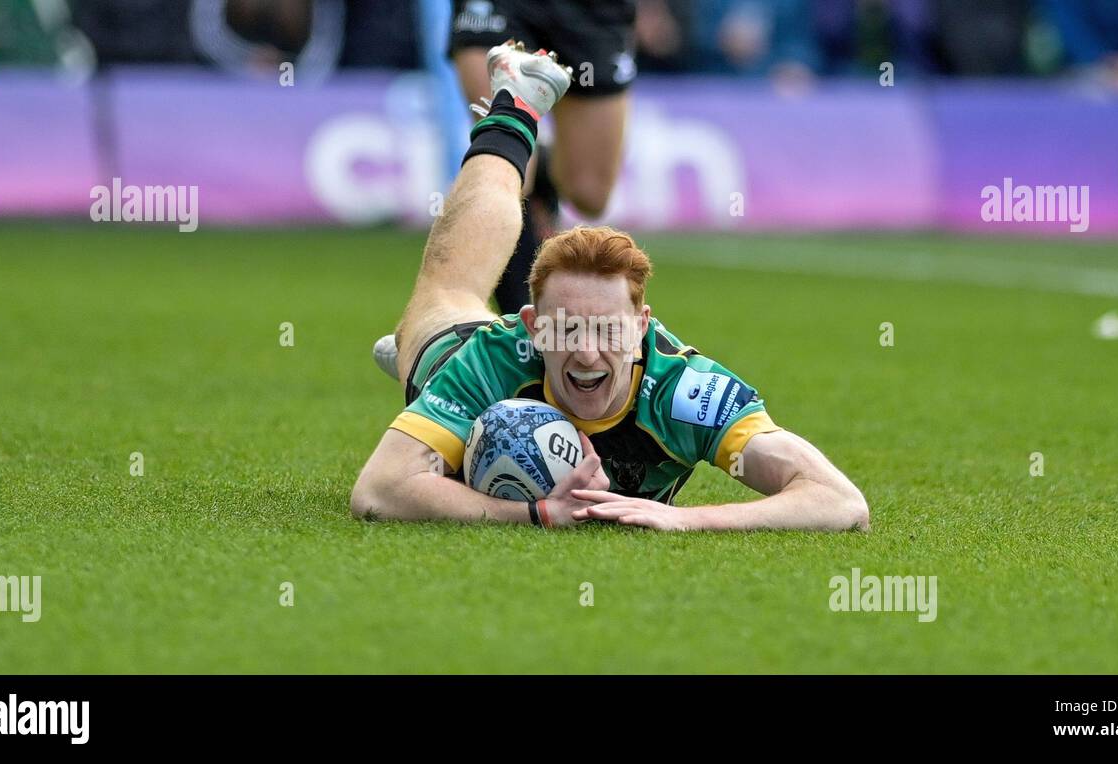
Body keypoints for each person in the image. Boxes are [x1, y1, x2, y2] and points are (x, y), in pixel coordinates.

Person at [352, 42, 868, 532]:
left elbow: (840, 501)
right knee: (448, 290)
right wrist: (538, 514)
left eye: (608, 330)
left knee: (586, 191)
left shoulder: (684, 393)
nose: (587, 353)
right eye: (567, 329)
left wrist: (684, 518)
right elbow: (379, 491)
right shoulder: (490, 363)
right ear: (532, 327)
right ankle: (516, 106)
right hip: (456, 344)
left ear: (642, 328)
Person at [449, 0, 636, 315]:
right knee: (511, 163)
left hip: (590, 13)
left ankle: (541, 181)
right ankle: (515, 327)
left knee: (589, 193)